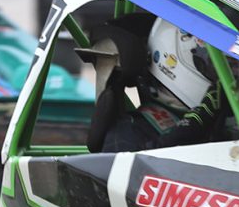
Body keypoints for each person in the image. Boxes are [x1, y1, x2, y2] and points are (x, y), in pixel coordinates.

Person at [80, 14, 230, 153]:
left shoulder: (225, 118)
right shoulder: (129, 132)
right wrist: (184, 135)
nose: (225, 70)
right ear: (171, 59)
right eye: (213, 62)